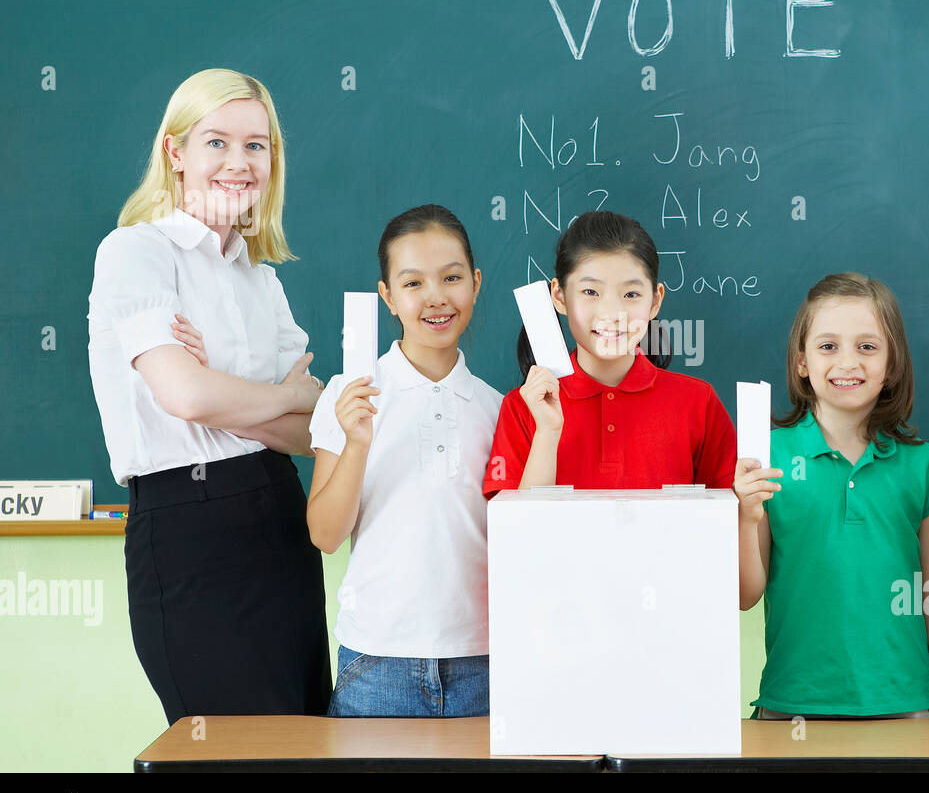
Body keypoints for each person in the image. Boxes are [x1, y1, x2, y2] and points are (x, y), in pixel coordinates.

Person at [88, 68, 330, 725]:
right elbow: (185, 395)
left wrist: (235, 397)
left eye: (257, 145)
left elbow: (312, 434)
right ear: (175, 152)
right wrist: (277, 396)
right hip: (189, 533)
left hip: (282, 521)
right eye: (216, 142)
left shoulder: (261, 280)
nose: (239, 162)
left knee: (303, 738)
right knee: (226, 750)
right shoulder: (134, 253)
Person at [735, 273, 929, 721]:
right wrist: (745, 519)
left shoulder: (922, 465)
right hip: (791, 709)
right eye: (827, 346)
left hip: (906, 709)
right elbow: (745, 595)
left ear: (892, 362)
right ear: (802, 361)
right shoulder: (765, 458)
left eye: (867, 346)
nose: (848, 362)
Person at [305, 205, 502, 717]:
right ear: (388, 296)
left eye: (452, 278)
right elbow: (325, 535)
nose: (436, 297)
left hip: (483, 658)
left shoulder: (498, 408)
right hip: (377, 662)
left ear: (475, 284)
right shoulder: (350, 395)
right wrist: (356, 443)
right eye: (413, 283)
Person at [483, 210, 736, 494]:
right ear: (559, 296)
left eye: (631, 295)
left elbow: (727, 523)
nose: (612, 314)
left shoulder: (698, 403)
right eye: (591, 292)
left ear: (655, 301)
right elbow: (517, 534)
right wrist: (547, 432)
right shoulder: (522, 407)